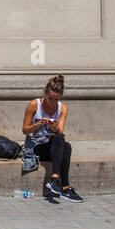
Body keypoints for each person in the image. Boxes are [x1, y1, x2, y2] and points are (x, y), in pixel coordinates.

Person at [21, 74, 81, 203]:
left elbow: (60, 132)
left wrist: (54, 127)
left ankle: (58, 182)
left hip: (52, 147)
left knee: (64, 143)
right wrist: (37, 124)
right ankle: (63, 186)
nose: (52, 102)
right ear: (45, 93)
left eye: (56, 99)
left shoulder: (63, 108)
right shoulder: (34, 105)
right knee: (64, 144)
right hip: (36, 147)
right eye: (49, 98)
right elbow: (25, 130)